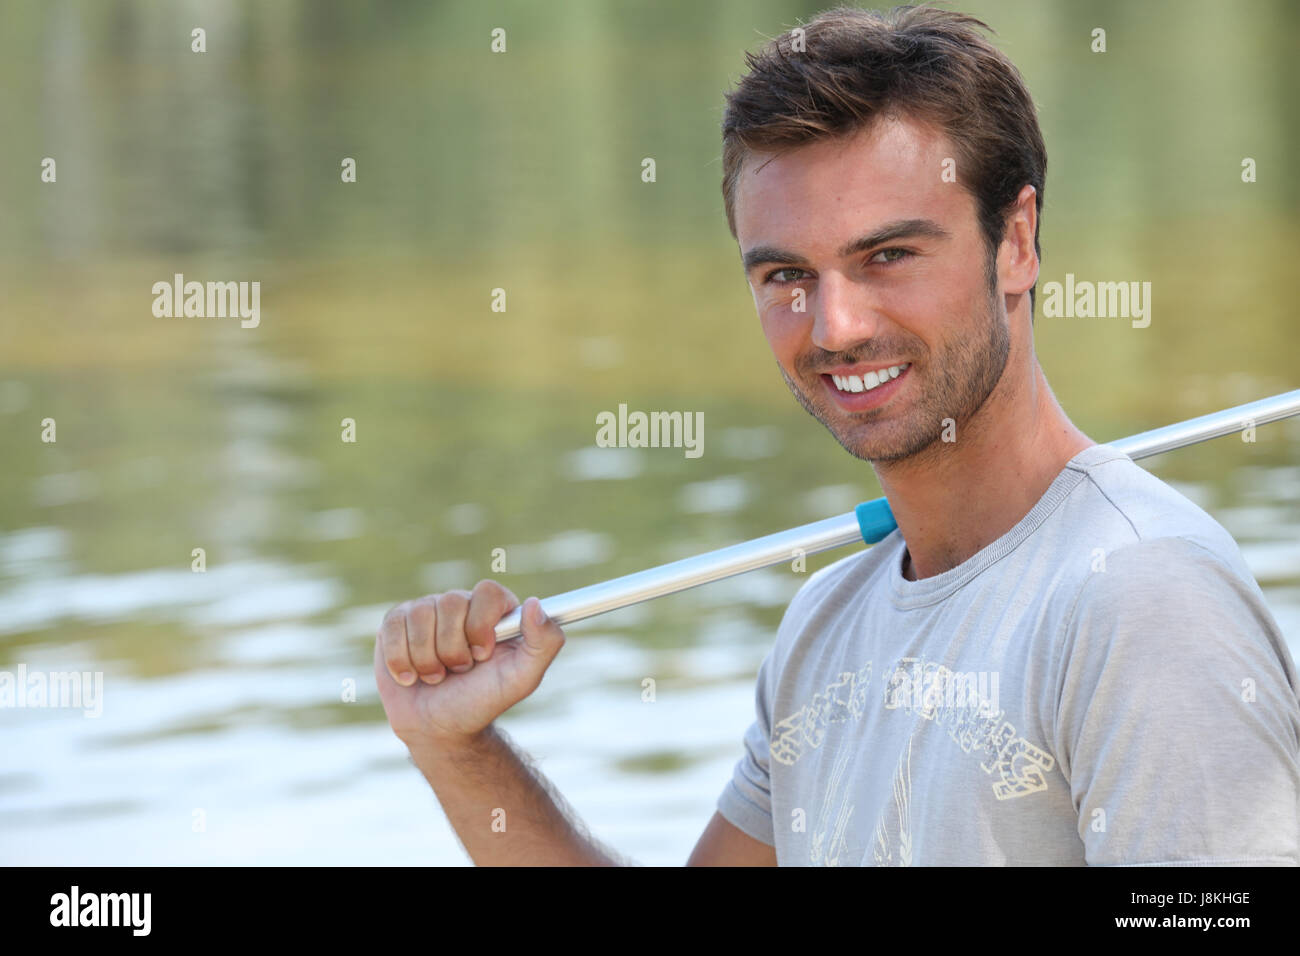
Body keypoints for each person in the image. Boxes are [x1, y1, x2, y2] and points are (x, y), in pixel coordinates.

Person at [374, 4, 1300, 866]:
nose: (836, 327)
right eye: (786, 276)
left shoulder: (1144, 598)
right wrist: (456, 746)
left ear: (1016, 241)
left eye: (887, 256)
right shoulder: (825, 625)